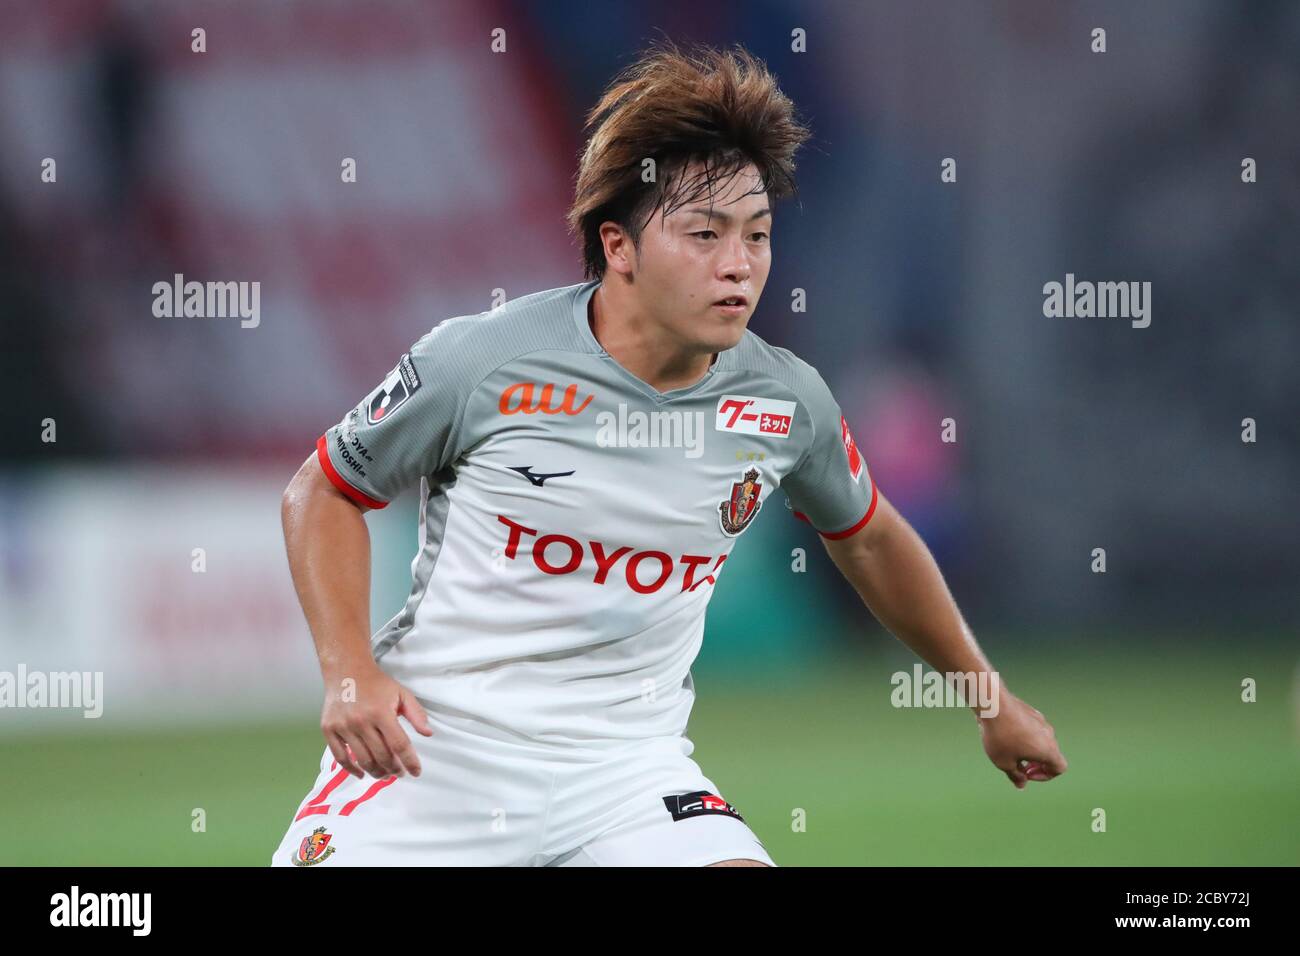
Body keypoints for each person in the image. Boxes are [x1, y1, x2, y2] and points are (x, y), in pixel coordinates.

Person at [271, 41, 1066, 868]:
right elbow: (322, 492)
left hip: (626, 772)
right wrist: (350, 672)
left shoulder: (784, 401)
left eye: (757, 235)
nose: (739, 265)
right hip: (437, 755)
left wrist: (987, 695)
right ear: (619, 246)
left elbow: (869, 537)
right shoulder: (481, 362)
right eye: (704, 233)